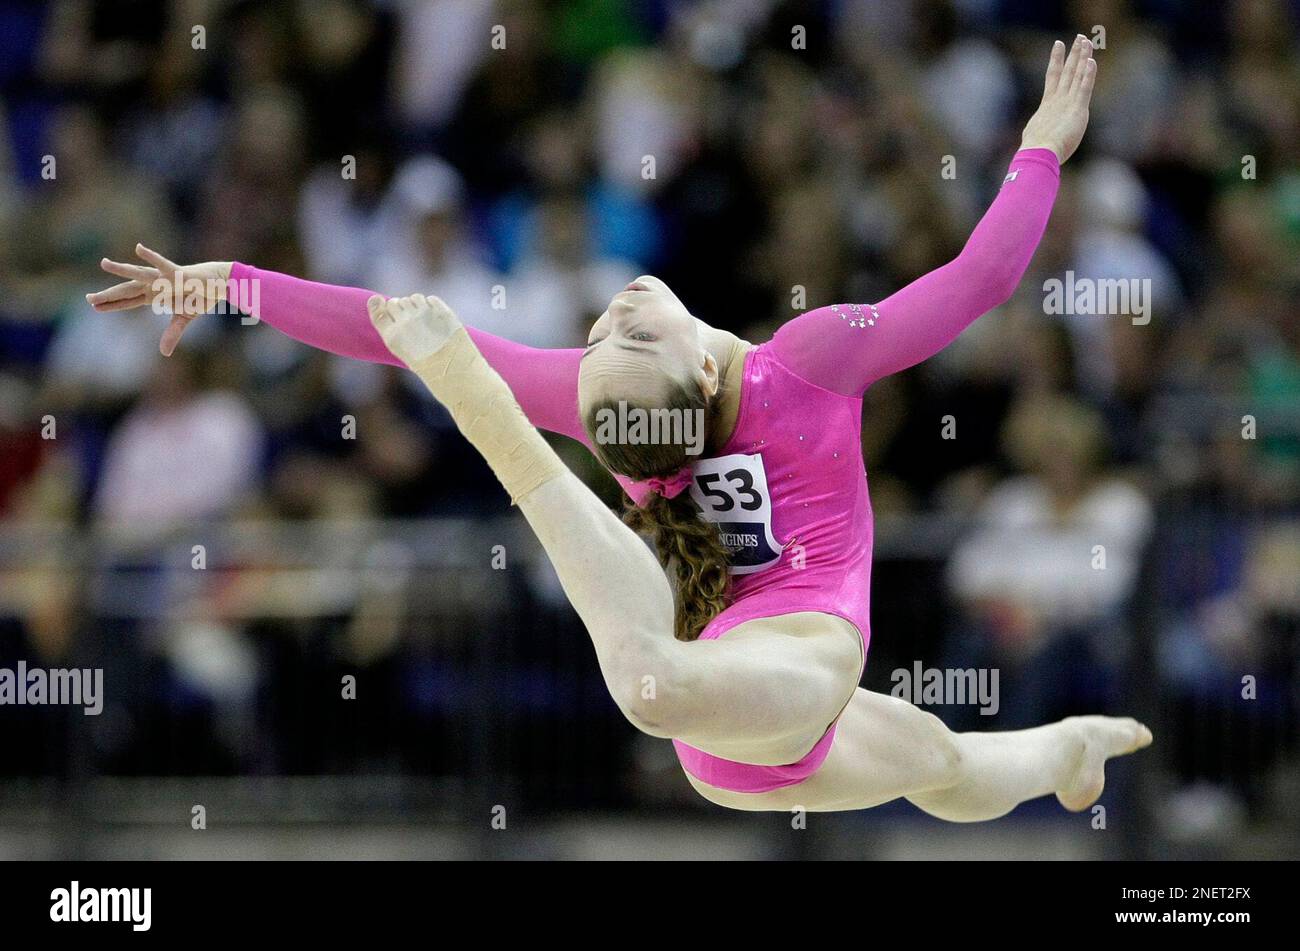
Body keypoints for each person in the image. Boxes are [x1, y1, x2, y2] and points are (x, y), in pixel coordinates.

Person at [89, 36, 1151, 816]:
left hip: (742, 731)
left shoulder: (664, 392)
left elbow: (391, 330)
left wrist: (230, 279)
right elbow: (979, 280)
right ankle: (605, 597)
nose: (610, 318)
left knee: (955, 773)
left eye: (606, 332)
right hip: (775, 677)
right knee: (662, 687)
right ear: (688, 363)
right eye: (613, 337)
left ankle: (1068, 749)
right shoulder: (793, 364)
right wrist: (1039, 152)